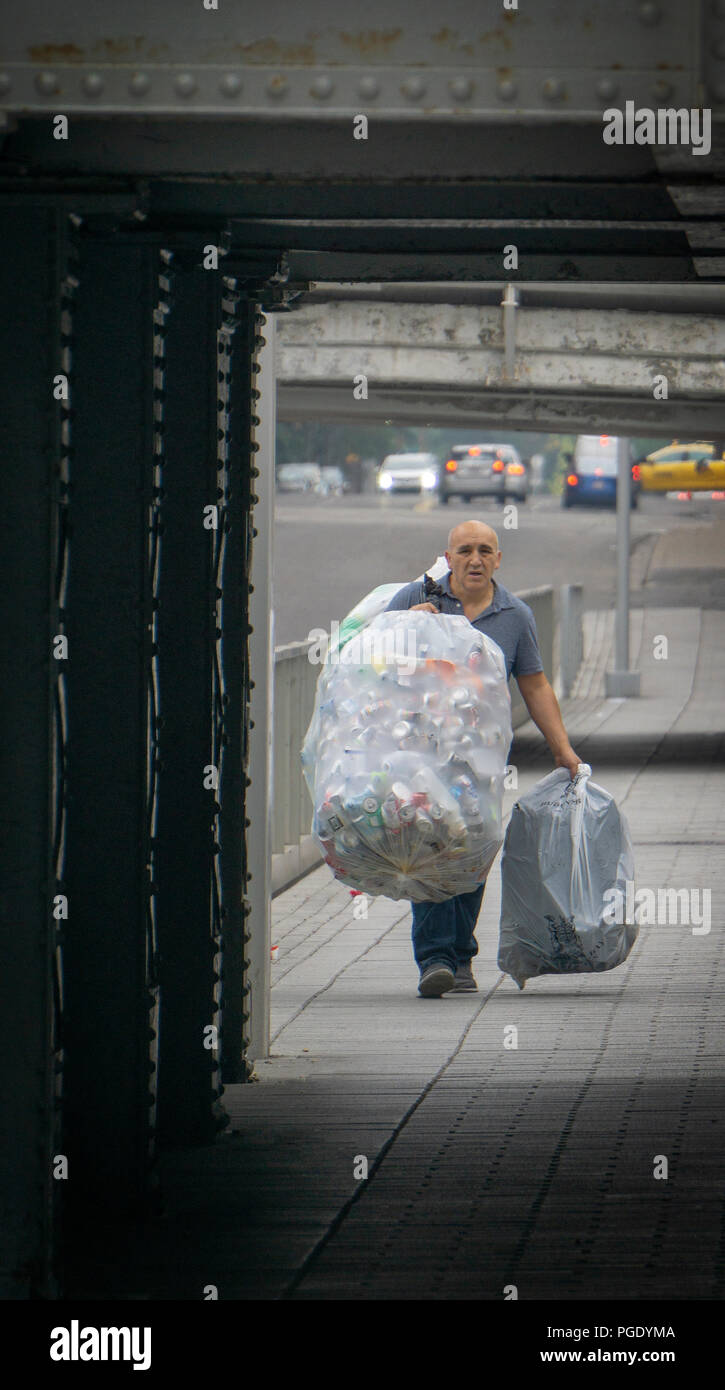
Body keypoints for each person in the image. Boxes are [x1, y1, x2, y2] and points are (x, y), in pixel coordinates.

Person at [385, 519, 581, 999]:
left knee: (472, 853)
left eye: (485, 551)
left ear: (498, 560)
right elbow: (373, 664)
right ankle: (435, 957)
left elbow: (533, 684)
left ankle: (460, 954)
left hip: (481, 765)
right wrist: (412, 627)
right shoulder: (413, 600)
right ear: (448, 557)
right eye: (465, 550)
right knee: (429, 848)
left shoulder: (515, 615)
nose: (476, 559)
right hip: (419, 760)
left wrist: (563, 749)